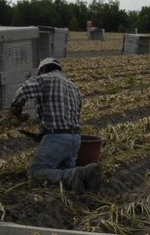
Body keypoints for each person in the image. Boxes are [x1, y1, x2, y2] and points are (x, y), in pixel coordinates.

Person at [9, 57, 102, 193]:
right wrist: (44, 132)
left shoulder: (44, 78)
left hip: (57, 137)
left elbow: (23, 91)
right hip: (75, 138)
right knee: (62, 169)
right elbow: (76, 114)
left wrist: (14, 112)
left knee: (35, 172)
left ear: (43, 70)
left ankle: (71, 175)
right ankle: (82, 172)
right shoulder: (73, 86)